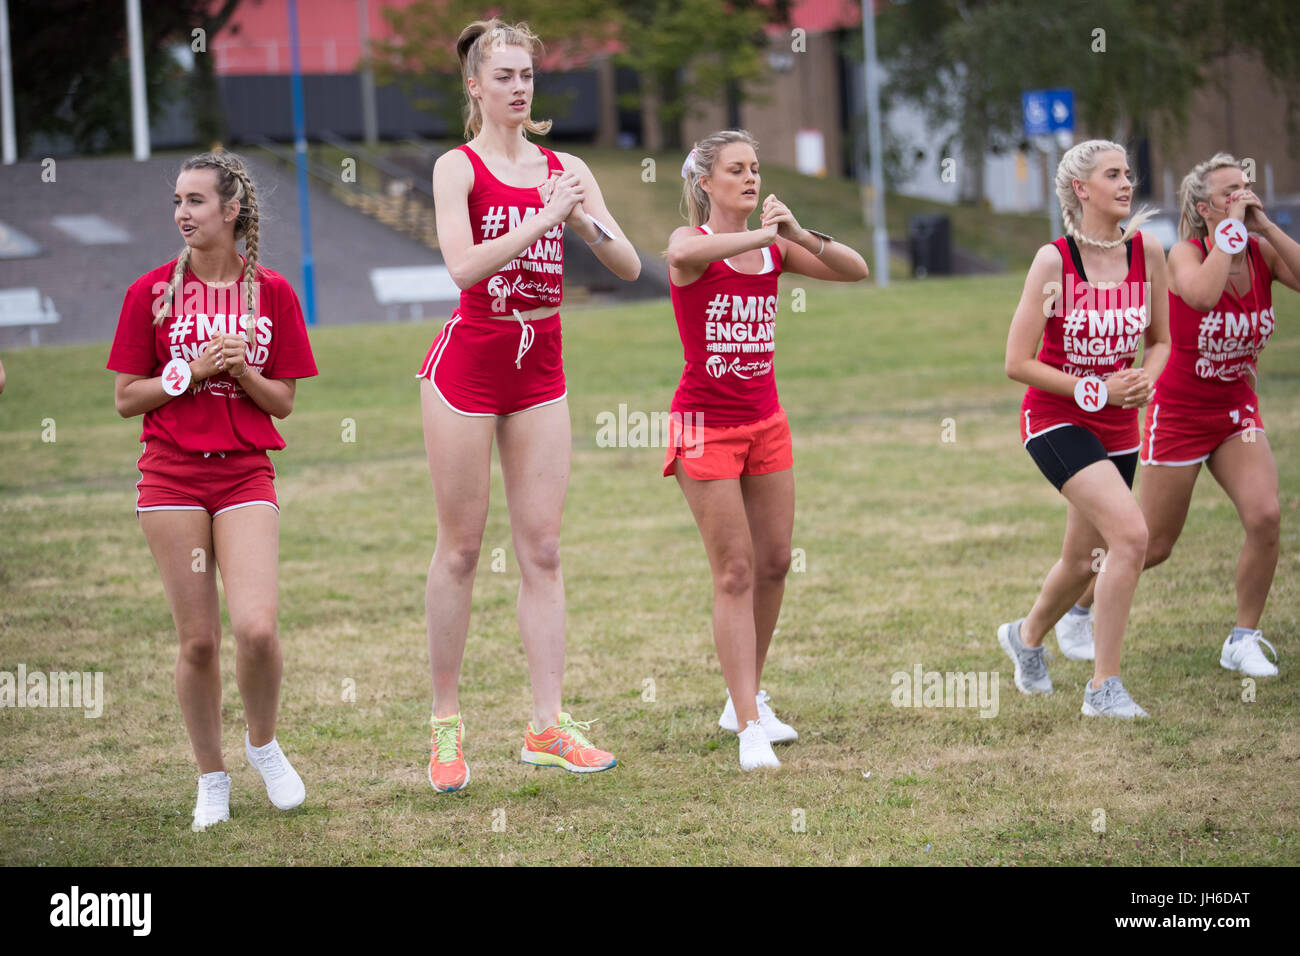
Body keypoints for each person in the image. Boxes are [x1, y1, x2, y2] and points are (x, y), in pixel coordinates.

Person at [419, 19, 640, 792]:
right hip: (471, 361)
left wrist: (580, 214)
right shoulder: (458, 168)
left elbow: (628, 260)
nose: (519, 87)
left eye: (528, 76)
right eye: (504, 75)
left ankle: (546, 725)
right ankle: (446, 726)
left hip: (541, 363)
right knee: (462, 549)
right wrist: (543, 216)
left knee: (542, 548)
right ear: (475, 87)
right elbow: (462, 266)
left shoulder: (564, 166)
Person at [108, 150, 318, 830]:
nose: (182, 213)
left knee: (256, 627)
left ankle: (263, 746)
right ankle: (211, 777)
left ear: (231, 211)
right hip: (169, 476)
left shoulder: (275, 293)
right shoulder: (150, 293)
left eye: (196, 201)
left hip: (244, 473)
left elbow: (282, 402)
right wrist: (190, 372)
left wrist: (242, 372)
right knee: (197, 642)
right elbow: (125, 398)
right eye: (177, 201)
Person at [666, 130, 868, 769]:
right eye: (736, 170)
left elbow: (855, 270)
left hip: (765, 425)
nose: (751, 179)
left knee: (776, 562)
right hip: (704, 427)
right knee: (734, 571)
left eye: (756, 167)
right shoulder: (693, 245)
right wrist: (763, 236)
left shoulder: (773, 250)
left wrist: (799, 235)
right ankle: (749, 725)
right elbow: (680, 253)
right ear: (706, 182)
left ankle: (741, 694)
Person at [1001, 139, 1170, 719]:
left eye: (1128, 173)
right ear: (1082, 188)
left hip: (1120, 427)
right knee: (1132, 537)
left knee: (1081, 562)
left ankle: (1024, 637)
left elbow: (1163, 341)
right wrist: (1094, 388)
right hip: (1055, 418)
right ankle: (1103, 688)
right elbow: (1017, 361)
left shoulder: (1147, 253)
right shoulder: (1054, 261)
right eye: (1113, 175)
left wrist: (1146, 378)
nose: (1127, 184)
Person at [1135, 154, 1300, 677]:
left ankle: (1243, 638)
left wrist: (1266, 226)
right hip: (1179, 411)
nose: (1245, 197)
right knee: (1153, 545)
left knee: (1265, 516)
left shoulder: (1262, 252)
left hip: (1235, 412)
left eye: (1247, 188)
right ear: (1206, 208)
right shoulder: (1183, 253)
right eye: (1232, 192)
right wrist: (1227, 236)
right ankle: (1078, 606)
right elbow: (1201, 296)